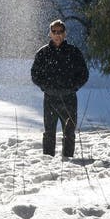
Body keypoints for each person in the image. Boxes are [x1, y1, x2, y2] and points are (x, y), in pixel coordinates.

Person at [31, 19, 89, 158]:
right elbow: (35, 75)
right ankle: (47, 162)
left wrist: (73, 87)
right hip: (50, 99)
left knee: (69, 132)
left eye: (60, 31)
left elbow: (84, 74)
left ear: (65, 33)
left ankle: (68, 162)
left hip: (69, 99)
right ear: (50, 34)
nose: (57, 34)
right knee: (49, 132)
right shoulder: (43, 53)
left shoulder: (73, 52)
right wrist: (46, 88)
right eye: (54, 31)